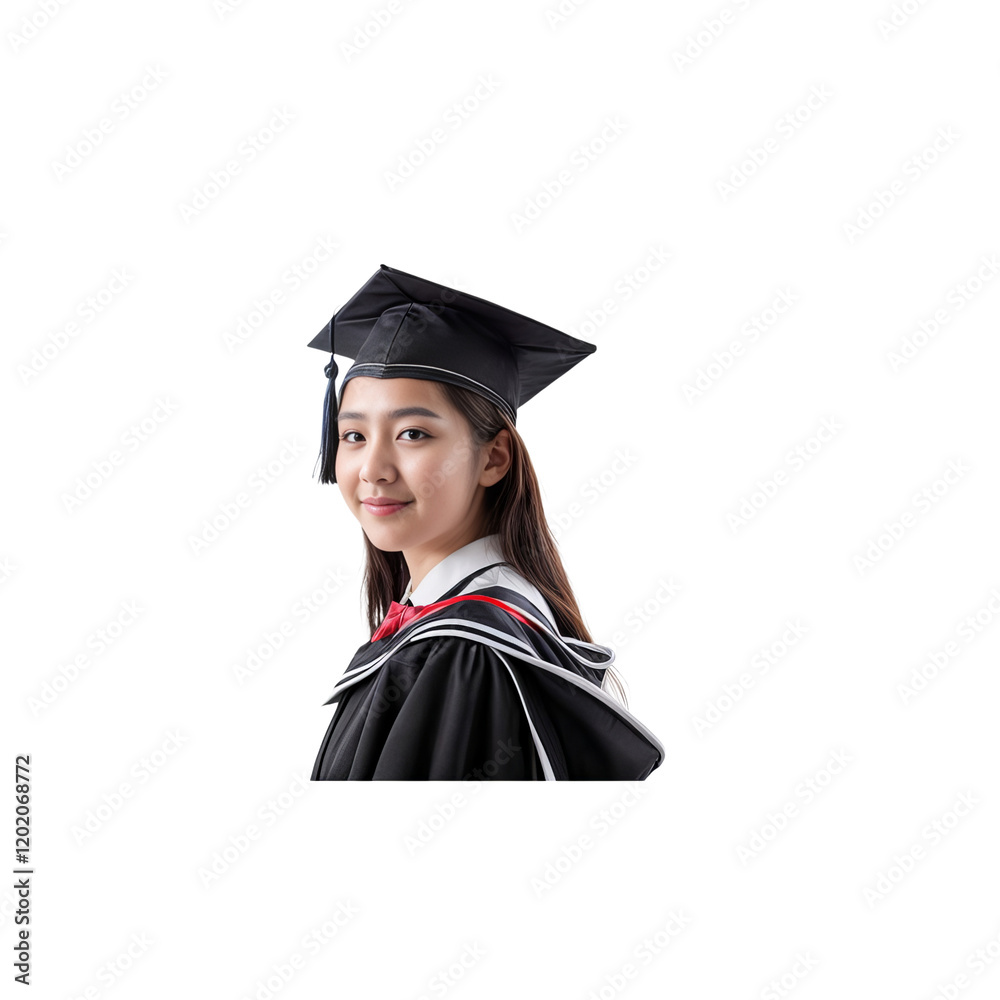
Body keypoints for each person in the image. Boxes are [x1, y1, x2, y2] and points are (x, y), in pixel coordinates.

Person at [307, 264, 664, 780]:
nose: (373, 471)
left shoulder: (463, 653)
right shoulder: (445, 620)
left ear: (494, 458)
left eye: (412, 434)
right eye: (354, 436)